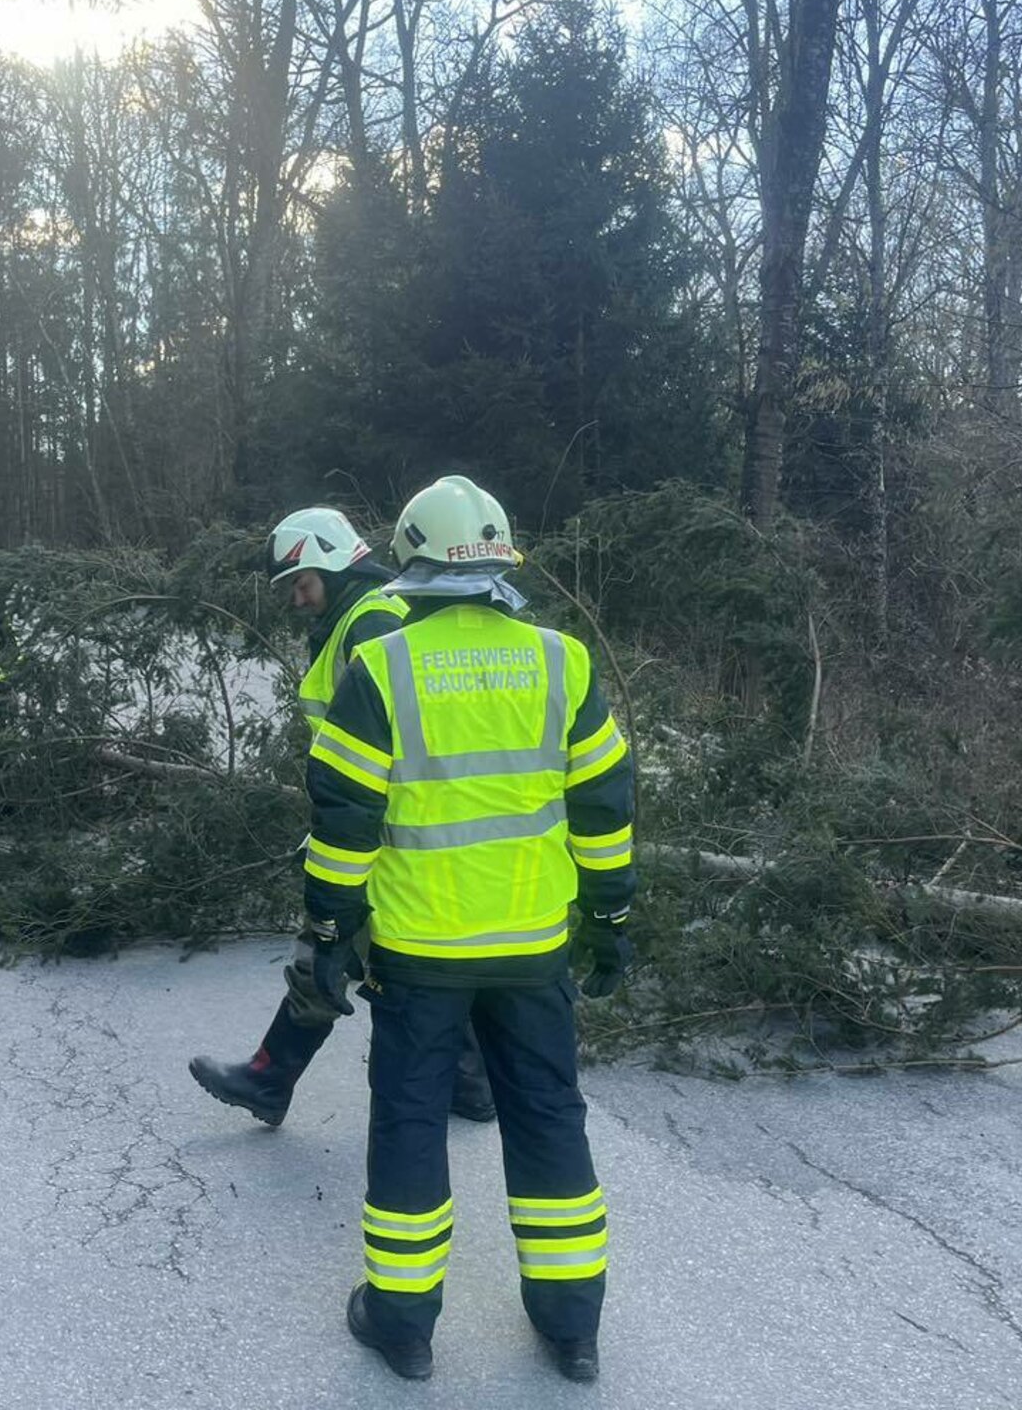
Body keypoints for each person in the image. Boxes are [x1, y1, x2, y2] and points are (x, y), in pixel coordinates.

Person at [302, 475, 636, 1384]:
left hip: (419, 955)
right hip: (533, 949)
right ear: (501, 557)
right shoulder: (562, 661)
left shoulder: (383, 666)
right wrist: (610, 919)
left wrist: (329, 938)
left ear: (408, 563)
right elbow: (604, 807)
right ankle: (573, 1327)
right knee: (548, 1118)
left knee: (409, 1125)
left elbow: (343, 826)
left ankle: (403, 1326)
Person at [188, 508, 496, 1127]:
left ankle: (269, 1079)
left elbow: (396, 742)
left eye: (301, 584)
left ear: (330, 563)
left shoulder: (373, 620)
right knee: (405, 960)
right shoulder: (359, 616)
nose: (298, 601)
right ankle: (471, 1086)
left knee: (324, 955)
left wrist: (347, 833)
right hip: (394, 828)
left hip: (387, 834)